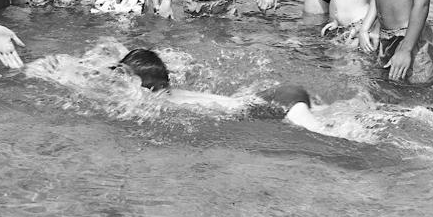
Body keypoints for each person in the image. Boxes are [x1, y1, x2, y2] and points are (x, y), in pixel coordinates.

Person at [114, 49, 325, 133]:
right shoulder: (170, 92)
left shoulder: (161, 102)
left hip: (280, 105)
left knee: (340, 137)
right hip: (280, 97)